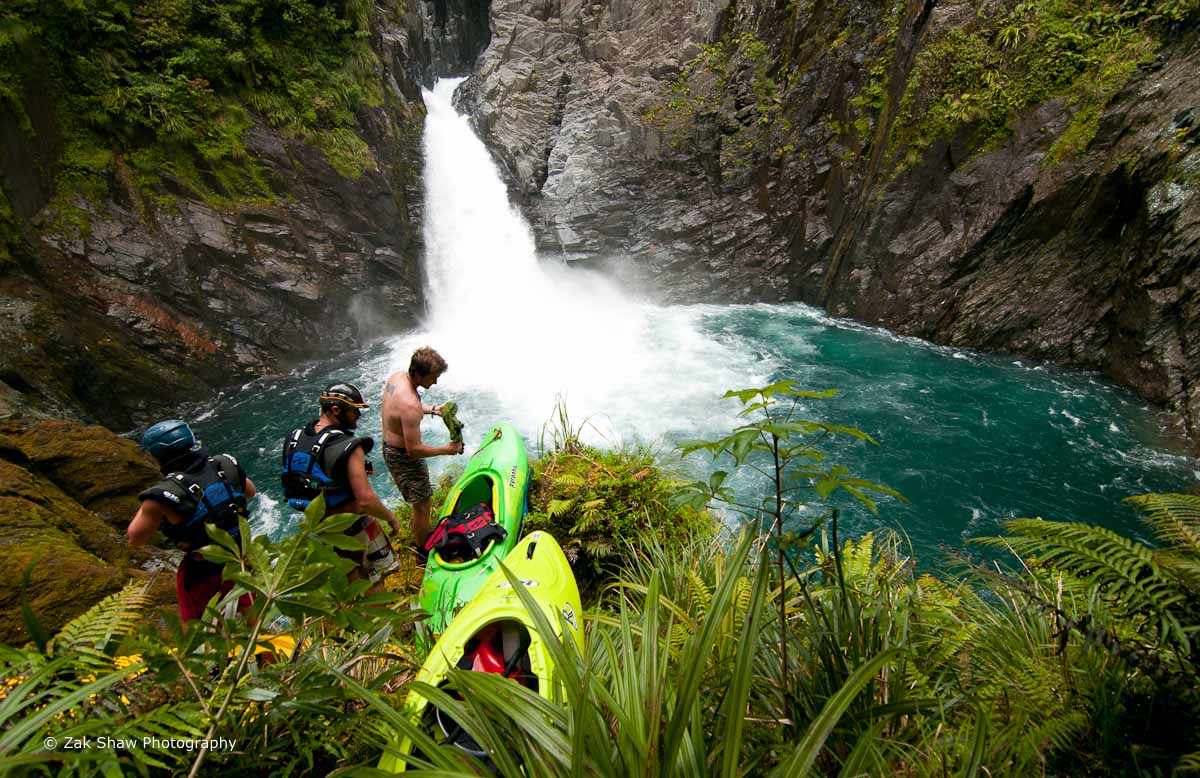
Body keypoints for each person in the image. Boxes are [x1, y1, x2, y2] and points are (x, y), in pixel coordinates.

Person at [128, 419, 255, 622]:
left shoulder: (162, 495)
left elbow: (136, 538)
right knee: (254, 616)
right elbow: (250, 492)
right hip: (241, 559)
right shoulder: (224, 464)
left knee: (204, 626)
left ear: (157, 456)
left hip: (204, 572)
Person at [280, 382, 401, 583]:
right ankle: (381, 612)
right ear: (336, 410)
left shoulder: (295, 438)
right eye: (355, 411)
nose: (358, 417)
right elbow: (365, 500)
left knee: (350, 578)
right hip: (352, 525)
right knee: (372, 578)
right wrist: (391, 518)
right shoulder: (349, 446)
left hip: (320, 526)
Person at [381, 347, 465, 552]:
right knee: (422, 505)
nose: (435, 382)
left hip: (390, 446)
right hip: (402, 457)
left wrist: (433, 409)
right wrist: (446, 450)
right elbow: (414, 450)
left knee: (421, 502)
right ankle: (422, 550)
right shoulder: (409, 404)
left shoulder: (397, 378)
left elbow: (399, 408)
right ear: (418, 373)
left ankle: (422, 538)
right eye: (433, 377)